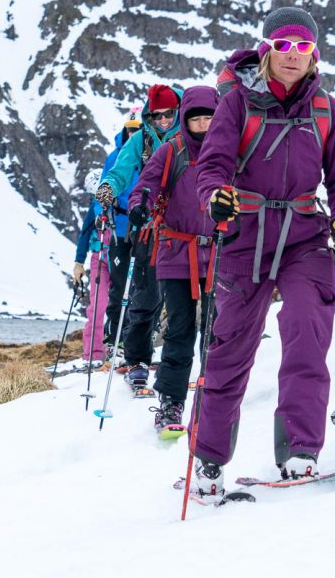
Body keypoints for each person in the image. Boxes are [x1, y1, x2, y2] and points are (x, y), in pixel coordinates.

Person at [191, 6, 335, 495]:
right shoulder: (237, 104)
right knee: (229, 354)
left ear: (314, 55)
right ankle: (208, 461)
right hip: (245, 238)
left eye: (303, 47)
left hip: (305, 236)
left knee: (308, 328)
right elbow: (213, 166)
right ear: (267, 50)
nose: (293, 56)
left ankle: (300, 452)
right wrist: (214, 197)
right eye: (284, 46)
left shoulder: (327, 110)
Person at [127, 85, 218, 434]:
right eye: (195, 119)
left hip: (221, 252)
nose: (203, 125)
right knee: (180, 329)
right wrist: (139, 205)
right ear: (185, 119)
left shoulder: (230, 151)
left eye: (209, 117)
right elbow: (146, 186)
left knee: (218, 330)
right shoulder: (170, 151)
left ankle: (215, 398)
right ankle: (170, 403)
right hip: (176, 251)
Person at [95, 85, 182, 388]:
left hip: (186, 224)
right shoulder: (140, 139)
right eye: (156, 115)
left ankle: (184, 362)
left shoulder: (194, 132)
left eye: (168, 114)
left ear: (178, 110)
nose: (163, 121)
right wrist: (109, 186)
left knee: (185, 296)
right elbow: (121, 170)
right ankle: (137, 359)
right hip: (147, 223)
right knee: (144, 292)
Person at [72, 107, 143, 363]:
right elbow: (87, 228)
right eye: (131, 129)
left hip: (139, 235)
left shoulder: (152, 154)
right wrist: (79, 262)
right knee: (101, 305)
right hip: (110, 245)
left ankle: (127, 347)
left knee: (133, 295)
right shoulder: (115, 159)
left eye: (138, 129)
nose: (134, 133)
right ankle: (95, 355)